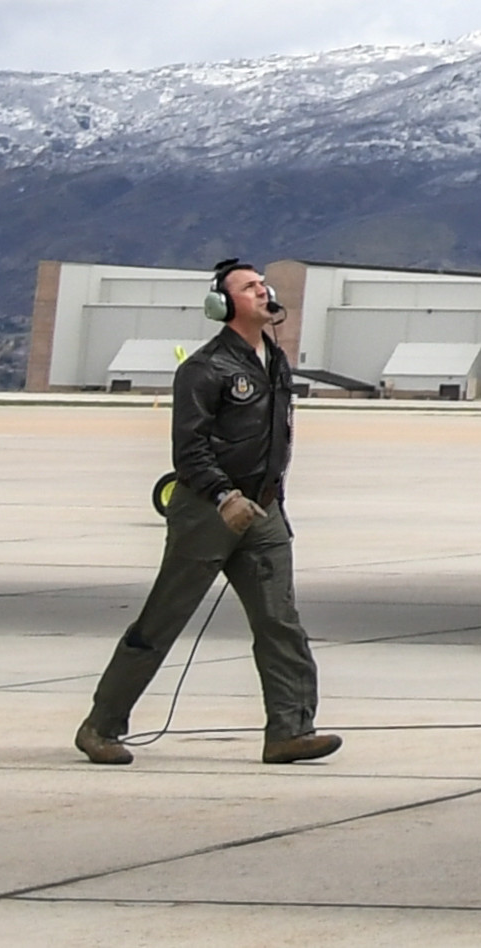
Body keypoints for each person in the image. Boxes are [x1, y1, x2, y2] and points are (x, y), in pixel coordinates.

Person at [72, 259, 337, 765]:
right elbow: (189, 449)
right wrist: (223, 496)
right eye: (250, 287)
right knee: (164, 619)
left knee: (280, 622)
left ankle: (290, 729)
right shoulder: (204, 369)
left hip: (263, 513)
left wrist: (268, 500)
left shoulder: (275, 362)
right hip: (208, 513)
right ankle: (101, 726)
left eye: (264, 284)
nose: (263, 291)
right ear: (223, 304)